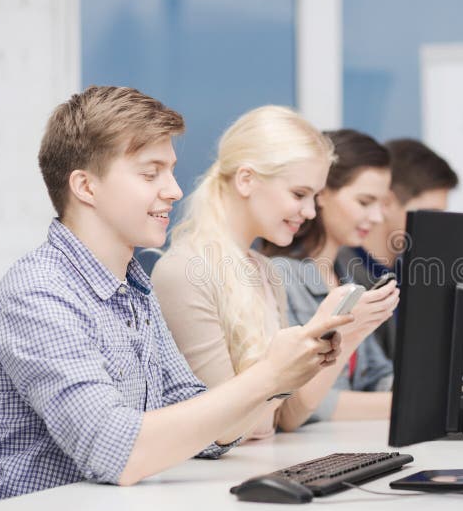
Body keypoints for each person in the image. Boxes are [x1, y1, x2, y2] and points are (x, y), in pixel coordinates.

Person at [0, 88, 351, 511]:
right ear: (86, 186)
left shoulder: (132, 290)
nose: (174, 190)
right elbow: (116, 453)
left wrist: (284, 373)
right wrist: (269, 375)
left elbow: (210, 432)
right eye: (150, 174)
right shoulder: (37, 294)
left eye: (171, 171)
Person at [152, 108, 380, 436]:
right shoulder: (185, 272)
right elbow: (223, 432)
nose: (310, 211)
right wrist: (307, 339)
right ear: (246, 180)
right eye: (299, 194)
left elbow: (285, 418)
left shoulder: (266, 273)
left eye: (314, 197)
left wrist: (345, 334)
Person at [263, 129, 399, 421]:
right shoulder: (279, 275)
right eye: (364, 202)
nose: (377, 218)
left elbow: (378, 374)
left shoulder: (348, 279)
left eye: (380, 204)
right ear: (321, 193)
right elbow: (300, 403)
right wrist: (407, 406)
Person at [336, 138, 459, 360]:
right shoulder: (343, 274)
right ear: (387, 203)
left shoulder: (412, 273)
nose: (438, 228)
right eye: (431, 214)